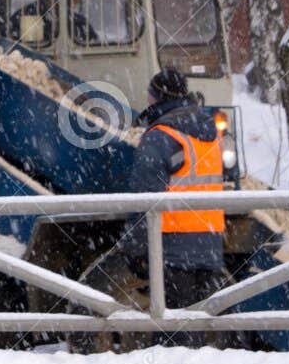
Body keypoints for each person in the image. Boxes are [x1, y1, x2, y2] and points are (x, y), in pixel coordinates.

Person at [80, 68, 228, 340]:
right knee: (197, 329)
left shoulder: (161, 137)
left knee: (172, 332)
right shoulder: (209, 133)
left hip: (172, 250)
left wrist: (134, 250)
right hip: (209, 245)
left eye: (149, 95)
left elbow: (145, 201)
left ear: (157, 97)